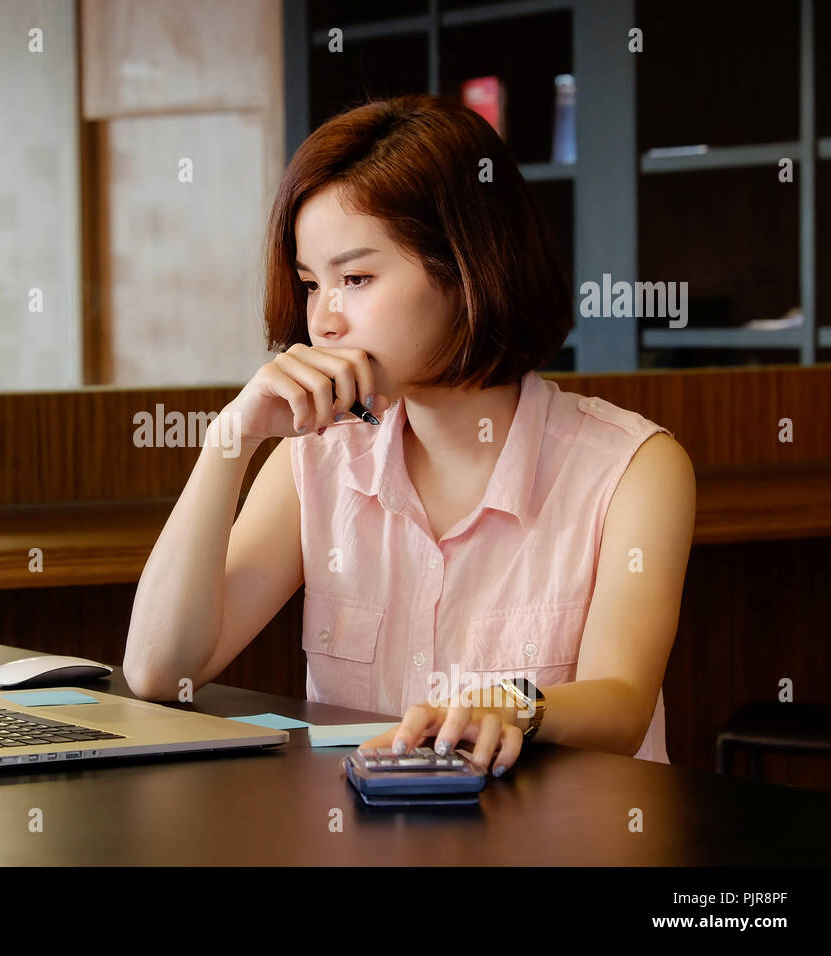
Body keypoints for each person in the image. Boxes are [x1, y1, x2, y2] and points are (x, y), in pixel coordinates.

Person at [123, 94, 695, 775]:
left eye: (357, 278)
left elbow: (624, 705)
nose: (324, 321)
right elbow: (160, 672)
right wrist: (229, 441)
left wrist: (514, 706)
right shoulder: (317, 461)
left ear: (467, 269)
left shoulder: (633, 467)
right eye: (311, 284)